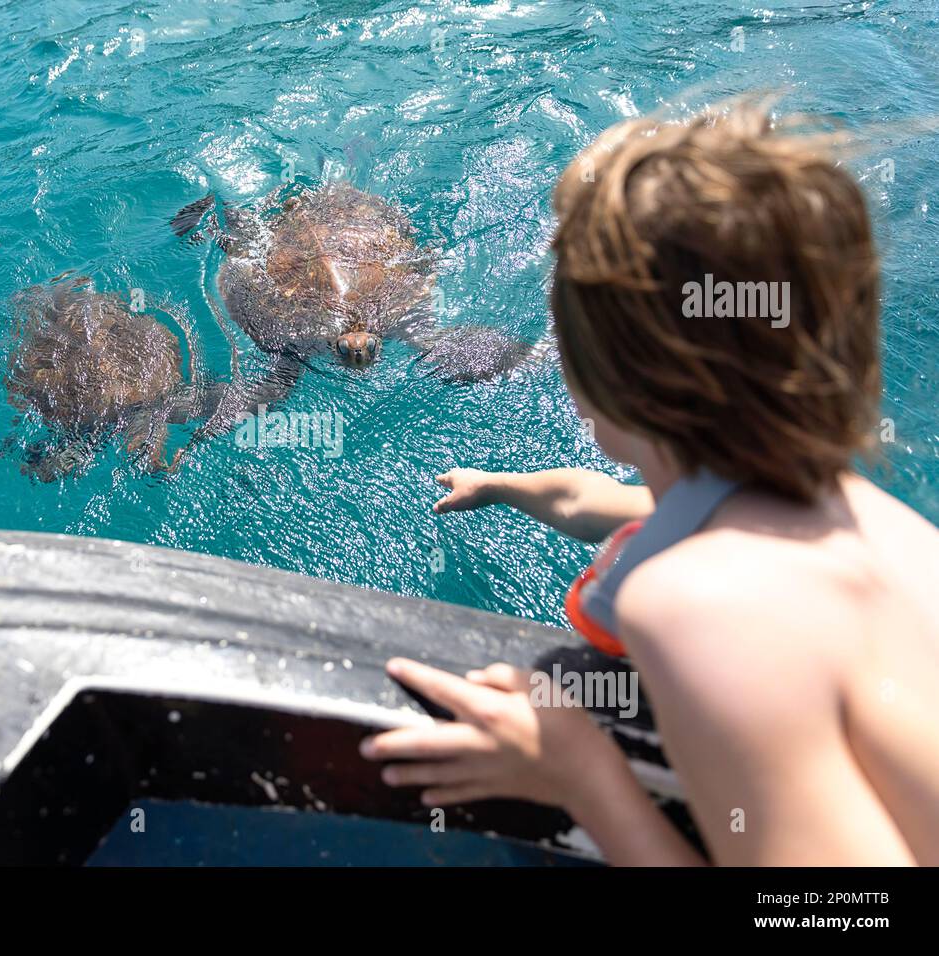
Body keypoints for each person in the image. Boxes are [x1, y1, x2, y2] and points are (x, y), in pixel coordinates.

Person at [361, 99, 939, 865]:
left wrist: (579, 775)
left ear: (593, 379)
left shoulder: (697, 611)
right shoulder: (857, 519)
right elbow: (609, 506)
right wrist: (503, 486)